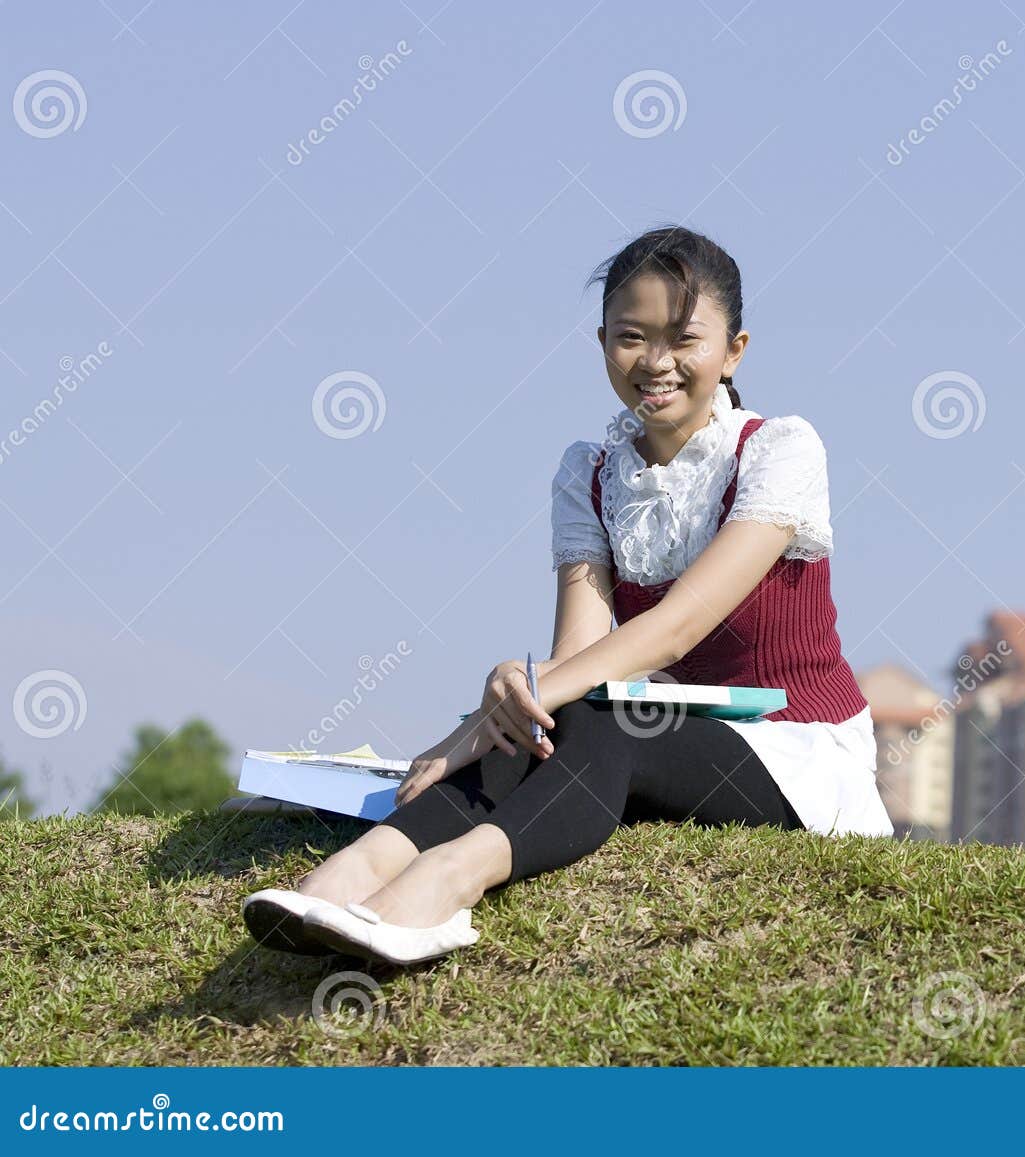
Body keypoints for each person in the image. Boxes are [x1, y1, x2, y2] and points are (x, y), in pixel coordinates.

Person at [243, 226, 894, 966]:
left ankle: (445, 885)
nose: (656, 363)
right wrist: (513, 700)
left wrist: (476, 726)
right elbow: (580, 658)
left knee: (600, 720)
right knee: (538, 723)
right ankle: (347, 876)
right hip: (673, 735)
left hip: (798, 755)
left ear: (735, 350)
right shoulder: (589, 472)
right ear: (601, 342)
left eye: (685, 339)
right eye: (630, 337)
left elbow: (677, 629)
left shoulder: (779, 449)